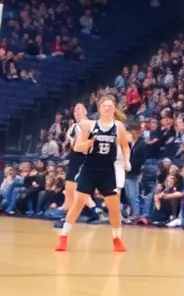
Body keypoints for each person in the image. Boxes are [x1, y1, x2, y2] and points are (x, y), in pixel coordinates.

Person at [56, 94, 130, 253]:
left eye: (111, 106)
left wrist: (127, 161)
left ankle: (117, 238)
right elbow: (77, 147)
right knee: (78, 202)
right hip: (89, 169)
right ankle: (63, 236)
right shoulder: (89, 125)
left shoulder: (119, 126)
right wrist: (89, 143)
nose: (108, 108)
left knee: (114, 206)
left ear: (114, 108)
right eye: (105, 106)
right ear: (100, 108)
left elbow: (125, 146)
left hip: (107, 171)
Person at [59, 102, 87, 221]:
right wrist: (67, 142)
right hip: (74, 157)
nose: (77, 112)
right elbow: (66, 145)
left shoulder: (90, 125)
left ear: (85, 111)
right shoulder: (73, 127)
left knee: (80, 186)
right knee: (69, 183)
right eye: (75, 110)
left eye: (79, 109)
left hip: (85, 158)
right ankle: (68, 209)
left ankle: (93, 210)